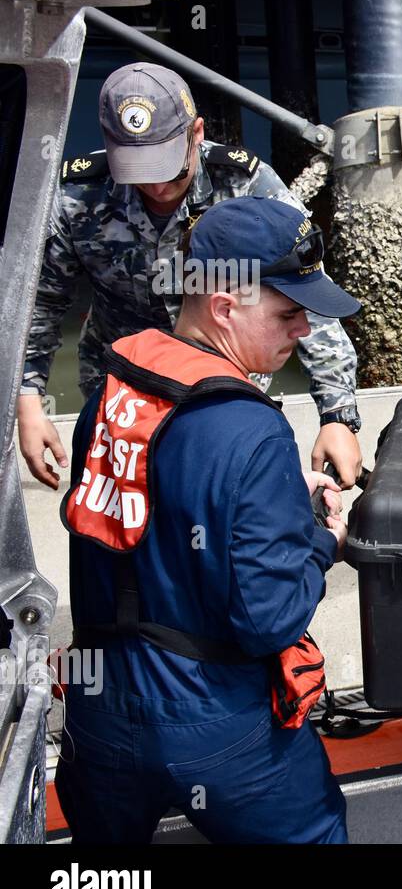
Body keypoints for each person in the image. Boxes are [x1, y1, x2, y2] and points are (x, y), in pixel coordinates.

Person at [55, 195, 356, 844]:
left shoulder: (109, 399)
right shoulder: (254, 430)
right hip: (217, 730)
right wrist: (320, 540)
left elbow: (151, 510)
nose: (303, 330)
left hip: (99, 720)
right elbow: (266, 618)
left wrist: (269, 498)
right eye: (288, 312)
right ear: (224, 307)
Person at [20, 62, 363, 492]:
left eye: (170, 166)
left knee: (218, 498)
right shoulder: (76, 195)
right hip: (122, 384)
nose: (158, 186)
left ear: (196, 132)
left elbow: (306, 293)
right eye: (140, 170)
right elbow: (40, 303)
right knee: (128, 507)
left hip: (223, 386)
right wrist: (28, 401)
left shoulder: (244, 184)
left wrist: (337, 416)